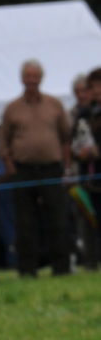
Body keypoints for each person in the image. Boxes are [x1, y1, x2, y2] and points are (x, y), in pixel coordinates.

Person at [0, 60, 72, 277]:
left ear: (41, 78)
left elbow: (66, 137)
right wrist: (11, 168)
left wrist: (66, 167)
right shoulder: (12, 108)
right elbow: (3, 142)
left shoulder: (54, 104)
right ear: (22, 79)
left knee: (58, 220)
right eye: (28, 76)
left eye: (35, 76)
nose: (31, 80)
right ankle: (27, 270)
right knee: (25, 223)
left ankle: (62, 268)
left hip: (51, 170)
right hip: (23, 171)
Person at [69, 67, 100, 270]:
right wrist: (77, 154)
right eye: (93, 86)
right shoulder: (84, 114)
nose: (96, 90)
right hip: (89, 179)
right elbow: (72, 143)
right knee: (89, 221)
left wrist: (97, 152)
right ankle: (91, 262)